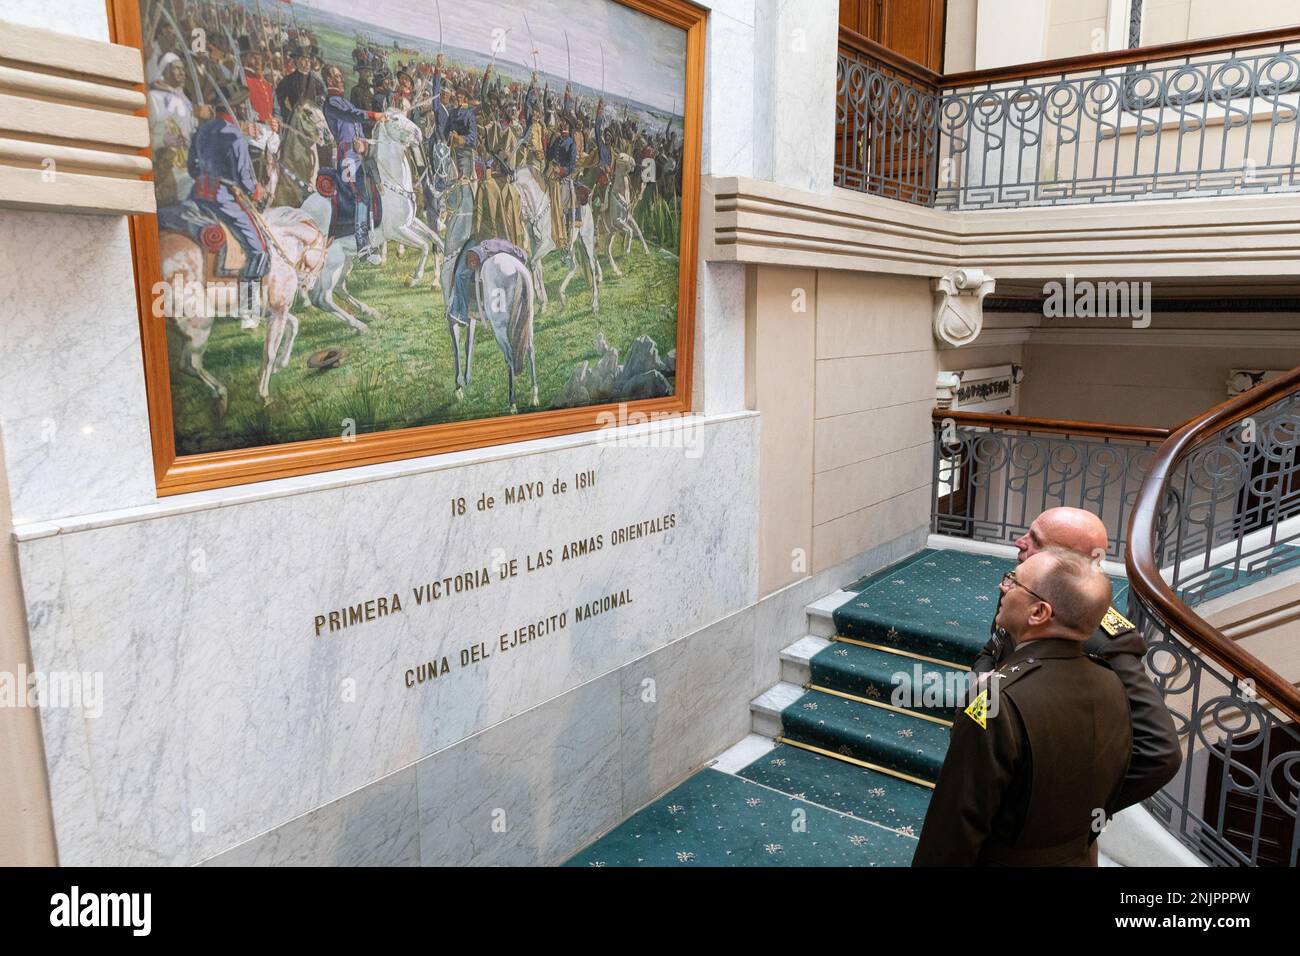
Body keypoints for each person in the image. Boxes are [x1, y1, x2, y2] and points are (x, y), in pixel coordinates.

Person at [913, 547, 1132, 866]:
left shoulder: (994, 701)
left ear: (1039, 612)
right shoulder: (1110, 681)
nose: (1004, 586)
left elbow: (955, 825)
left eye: (1014, 582)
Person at [972, 507, 1181, 816]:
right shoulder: (1021, 591)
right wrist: (982, 684)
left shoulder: (1103, 639)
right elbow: (992, 649)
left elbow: (1160, 753)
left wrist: (1074, 809)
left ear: (1067, 564)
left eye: (1035, 540)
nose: (1019, 542)